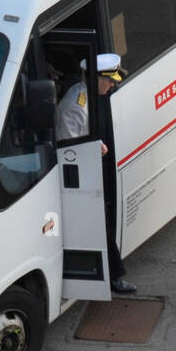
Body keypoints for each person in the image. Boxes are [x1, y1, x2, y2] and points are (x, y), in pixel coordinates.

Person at [56, 53, 137, 294]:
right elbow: (68, 150)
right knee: (99, 223)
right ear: (93, 79)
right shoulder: (76, 106)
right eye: (109, 80)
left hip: (94, 169)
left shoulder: (93, 95)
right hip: (79, 178)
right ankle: (113, 276)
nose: (112, 85)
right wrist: (94, 148)